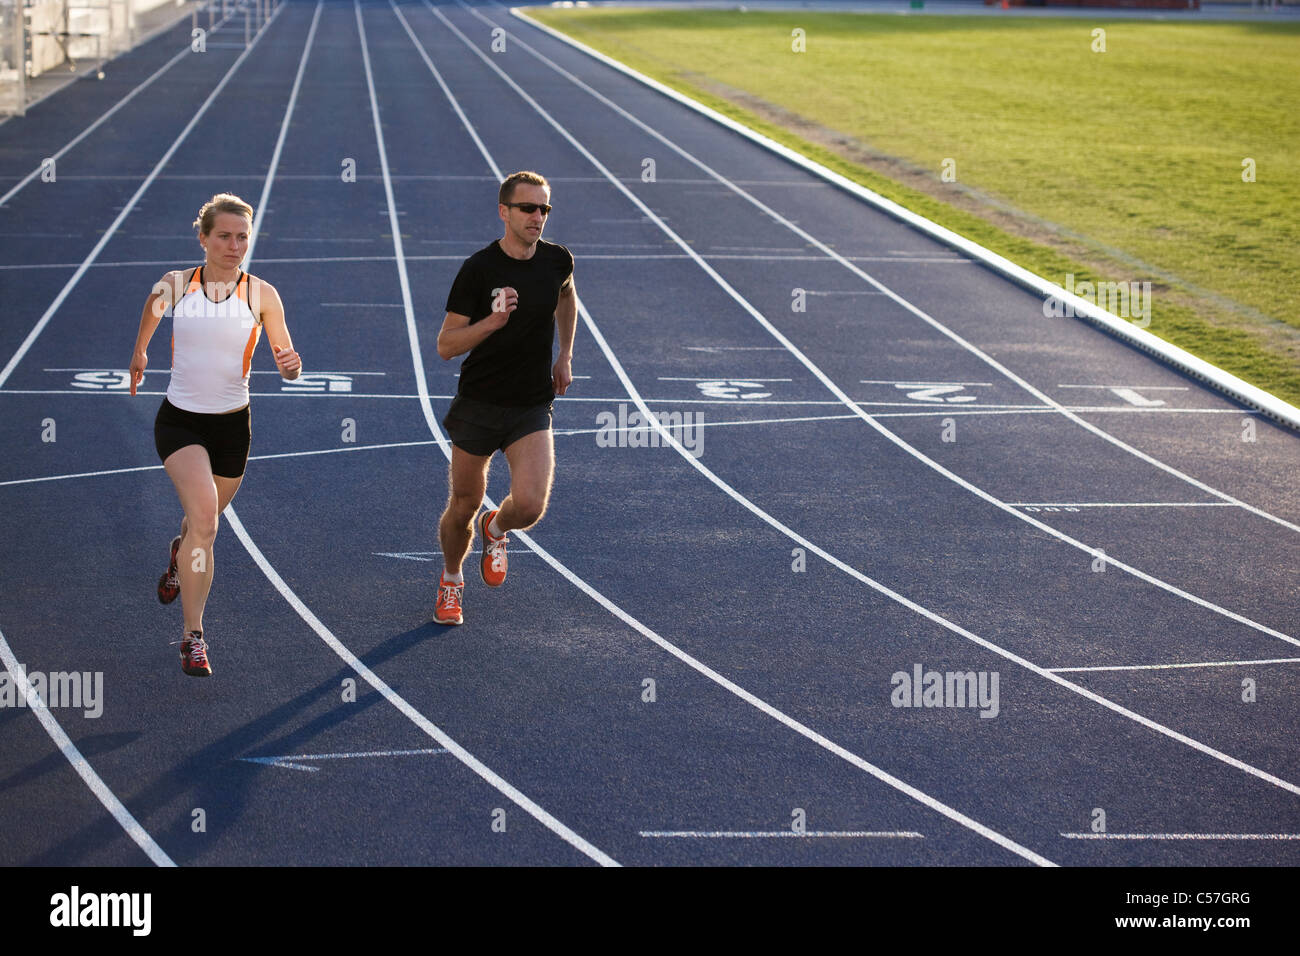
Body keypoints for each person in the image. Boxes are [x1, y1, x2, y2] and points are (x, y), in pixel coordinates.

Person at [128, 194, 301, 675]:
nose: (234, 245)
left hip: (232, 428)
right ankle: (193, 636)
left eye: (242, 236)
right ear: (202, 238)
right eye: (223, 235)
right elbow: (151, 306)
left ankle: (179, 555)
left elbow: (286, 356)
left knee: (197, 528)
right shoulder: (178, 284)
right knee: (206, 522)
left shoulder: (262, 295)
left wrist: (291, 365)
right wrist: (140, 352)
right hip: (180, 420)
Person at [433, 171, 576, 625]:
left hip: (531, 405)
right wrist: (491, 324)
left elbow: (567, 297)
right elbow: (445, 345)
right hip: (479, 404)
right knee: (462, 506)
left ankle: (495, 528)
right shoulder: (479, 269)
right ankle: (451, 580)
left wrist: (566, 354)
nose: (538, 217)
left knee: (530, 505)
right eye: (528, 208)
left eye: (544, 209)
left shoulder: (557, 261)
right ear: (504, 212)